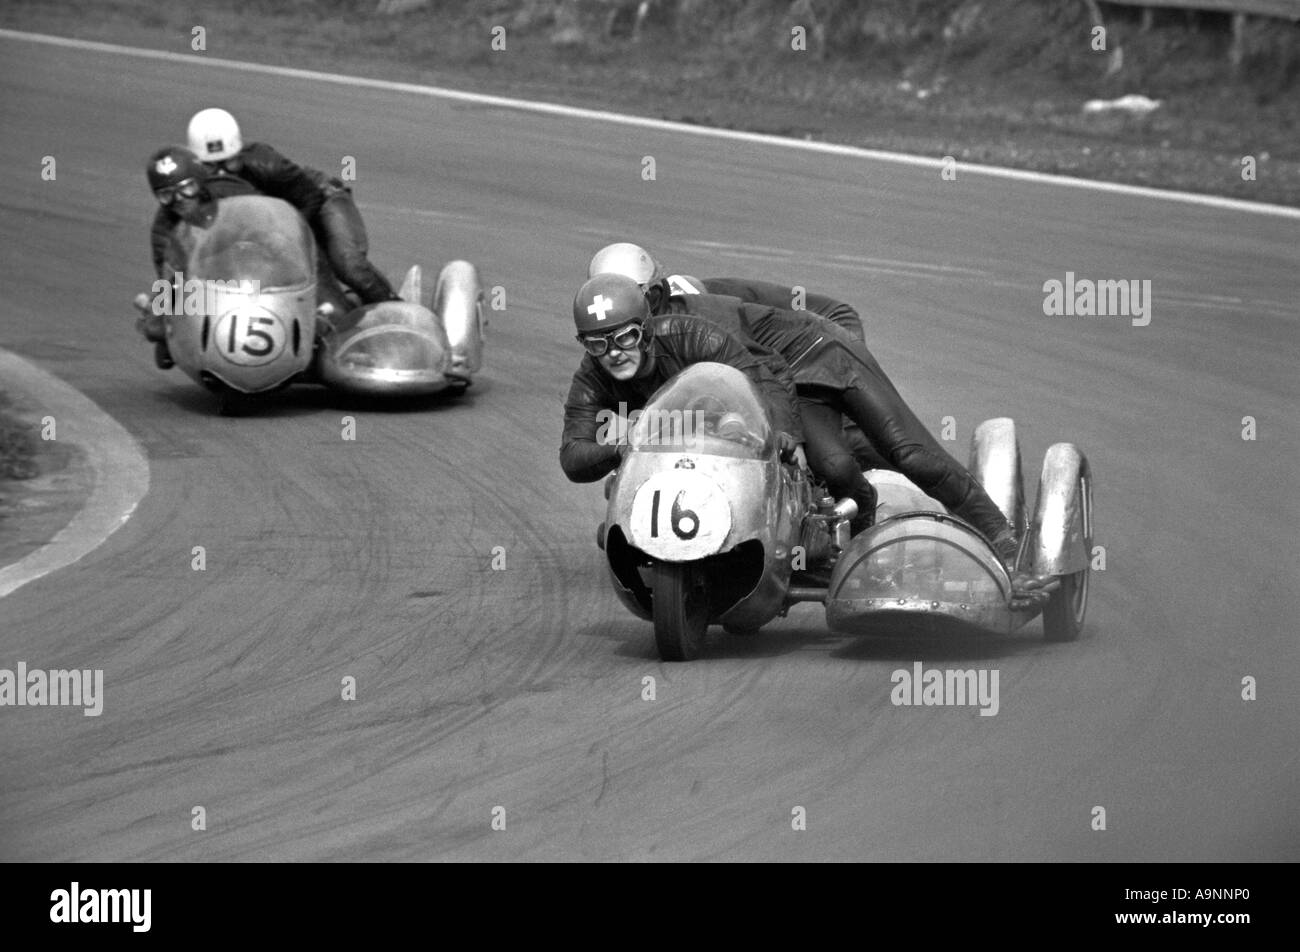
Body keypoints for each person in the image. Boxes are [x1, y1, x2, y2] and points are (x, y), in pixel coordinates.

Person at [589, 251, 1021, 565]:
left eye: (636, 300)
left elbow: (766, 371)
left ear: (655, 295)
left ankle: (1002, 539)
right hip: (779, 380)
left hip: (820, 352)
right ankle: (838, 525)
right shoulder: (638, 340)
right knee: (831, 463)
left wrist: (789, 435)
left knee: (902, 450)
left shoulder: (698, 321)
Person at [561, 274, 805, 486]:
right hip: (663, 453)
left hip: (731, 430)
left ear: (645, 331)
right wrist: (619, 448)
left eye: (625, 338)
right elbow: (572, 454)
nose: (613, 353)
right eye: (597, 344)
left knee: (828, 465)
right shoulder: (591, 373)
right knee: (613, 495)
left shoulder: (696, 337)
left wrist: (782, 431)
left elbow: (762, 382)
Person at [186, 107, 399, 305]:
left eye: (229, 163)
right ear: (198, 165)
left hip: (321, 201)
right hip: (276, 227)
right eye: (211, 167)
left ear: (239, 154)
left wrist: (287, 237)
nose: (223, 173)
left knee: (349, 265)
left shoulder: (268, 164)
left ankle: (397, 307)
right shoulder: (189, 194)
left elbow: (311, 197)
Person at [136, 145, 260, 368]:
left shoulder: (233, 192)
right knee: (156, 329)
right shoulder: (164, 229)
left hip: (253, 267)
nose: (180, 198)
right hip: (203, 283)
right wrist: (167, 313)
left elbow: (271, 228)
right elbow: (169, 279)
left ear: (200, 181)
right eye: (167, 194)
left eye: (187, 188)